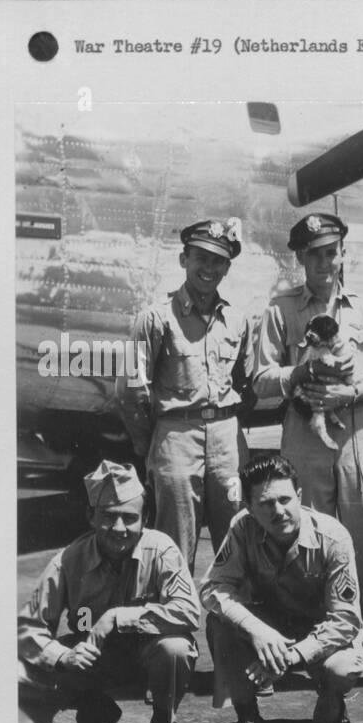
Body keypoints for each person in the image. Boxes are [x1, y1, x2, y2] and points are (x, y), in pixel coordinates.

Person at [252, 212, 363, 678]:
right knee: (306, 543)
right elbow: (258, 380)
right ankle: (317, 652)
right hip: (303, 435)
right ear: (300, 258)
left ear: (342, 254)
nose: (323, 261)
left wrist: (350, 393)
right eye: (313, 253)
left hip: (357, 434)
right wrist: (296, 374)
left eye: (330, 251)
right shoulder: (279, 312)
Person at [18, 461, 199, 723]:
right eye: (108, 517)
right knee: (15, 672)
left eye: (129, 518)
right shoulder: (69, 560)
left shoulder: (162, 550)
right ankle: (92, 712)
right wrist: (62, 656)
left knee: (176, 648)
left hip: (148, 656)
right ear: (91, 516)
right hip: (92, 660)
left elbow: (188, 610)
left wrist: (118, 617)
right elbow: (27, 626)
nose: (119, 528)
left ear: (145, 519)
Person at [200, 455, 363, 723]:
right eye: (266, 504)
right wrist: (257, 629)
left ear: (300, 497)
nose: (279, 511)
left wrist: (293, 654)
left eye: (285, 499)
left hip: (323, 632)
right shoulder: (243, 527)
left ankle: (333, 706)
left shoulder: (333, 537)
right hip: (273, 626)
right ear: (249, 508)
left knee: (342, 669)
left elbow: (345, 619)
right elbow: (212, 588)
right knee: (220, 623)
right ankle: (247, 721)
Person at [119, 218, 252, 573]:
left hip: (226, 441)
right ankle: (170, 625)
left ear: (226, 267)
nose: (209, 269)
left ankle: (234, 627)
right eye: (201, 259)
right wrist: (154, 443)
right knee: (174, 546)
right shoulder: (154, 318)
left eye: (218, 261)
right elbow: (131, 392)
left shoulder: (238, 321)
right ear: (183, 260)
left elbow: (245, 384)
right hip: (175, 437)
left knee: (237, 541)